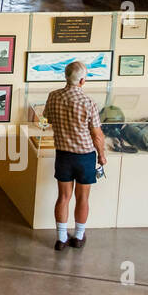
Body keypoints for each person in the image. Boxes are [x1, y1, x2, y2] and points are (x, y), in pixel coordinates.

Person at [42, 60, 107, 251]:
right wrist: (102, 155)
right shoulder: (88, 103)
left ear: (65, 76)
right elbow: (96, 134)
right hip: (85, 156)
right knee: (83, 198)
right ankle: (78, 236)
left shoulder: (53, 97)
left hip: (63, 154)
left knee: (63, 197)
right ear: (82, 81)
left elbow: (48, 120)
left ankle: (61, 239)